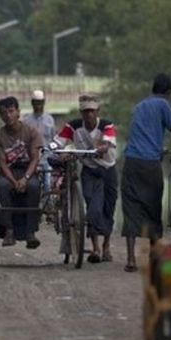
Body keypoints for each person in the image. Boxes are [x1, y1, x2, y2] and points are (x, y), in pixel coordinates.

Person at [121, 74, 171, 272]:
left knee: (131, 209)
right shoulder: (163, 104)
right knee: (152, 208)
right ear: (167, 92)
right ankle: (154, 258)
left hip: (131, 161)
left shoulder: (139, 106)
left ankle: (131, 259)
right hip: (150, 164)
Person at [53, 95, 118, 262]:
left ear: (97, 112)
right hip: (89, 170)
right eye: (85, 111)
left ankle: (106, 246)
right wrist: (54, 149)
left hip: (108, 169)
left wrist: (102, 147)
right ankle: (95, 247)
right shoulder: (74, 126)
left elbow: (108, 142)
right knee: (92, 206)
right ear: (81, 113)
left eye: (91, 111)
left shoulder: (106, 125)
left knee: (108, 208)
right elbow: (58, 141)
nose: (88, 115)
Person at [0, 97, 43, 248]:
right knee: (2, 186)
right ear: (0, 116)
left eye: (11, 111)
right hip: (8, 172)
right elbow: (2, 163)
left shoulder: (31, 131)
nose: (8, 115)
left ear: (18, 112)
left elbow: (35, 159)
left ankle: (31, 232)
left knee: (33, 187)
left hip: (28, 170)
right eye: (4, 113)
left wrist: (25, 179)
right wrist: (14, 181)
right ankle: (9, 230)